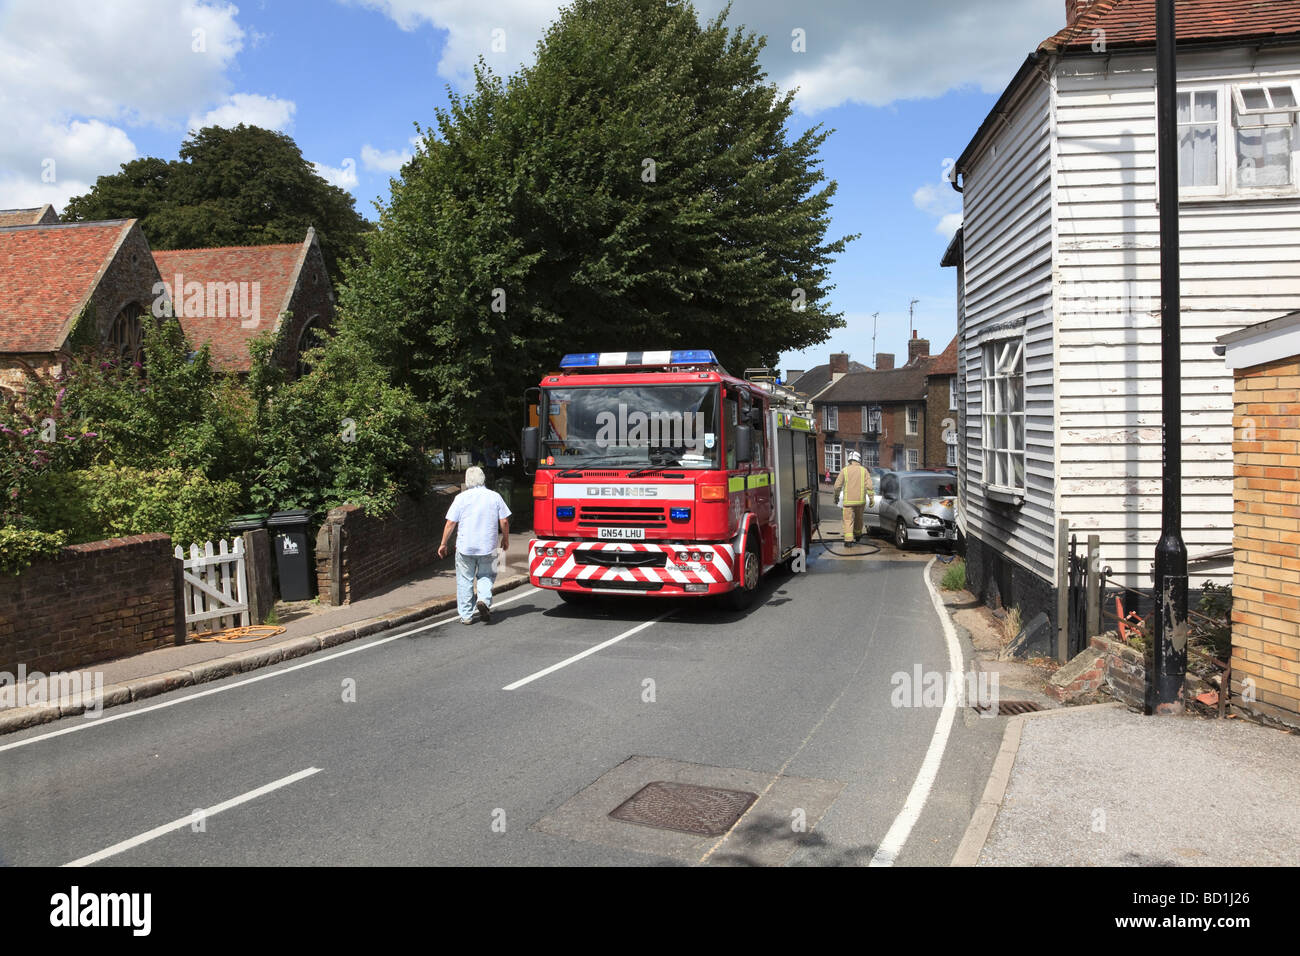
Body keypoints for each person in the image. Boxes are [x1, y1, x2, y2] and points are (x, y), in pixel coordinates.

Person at [438, 466, 511, 624]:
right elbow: (504, 521)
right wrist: (505, 539)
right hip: (489, 547)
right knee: (487, 576)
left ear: (467, 480)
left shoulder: (461, 498)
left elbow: (450, 523)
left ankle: (466, 616)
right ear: (483, 478)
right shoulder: (495, 496)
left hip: (465, 547)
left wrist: (443, 544)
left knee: (465, 580)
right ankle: (484, 599)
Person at [833, 451, 873, 548]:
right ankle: (858, 535)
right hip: (860, 501)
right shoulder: (864, 470)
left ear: (849, 460)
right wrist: (871, 499)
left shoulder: (844, 470)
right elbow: (870, 486)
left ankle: (848, 541)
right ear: (859, 459)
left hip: (848, 502)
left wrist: (836, 497)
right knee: (859, 519)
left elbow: (837, 486)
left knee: (848, 520)